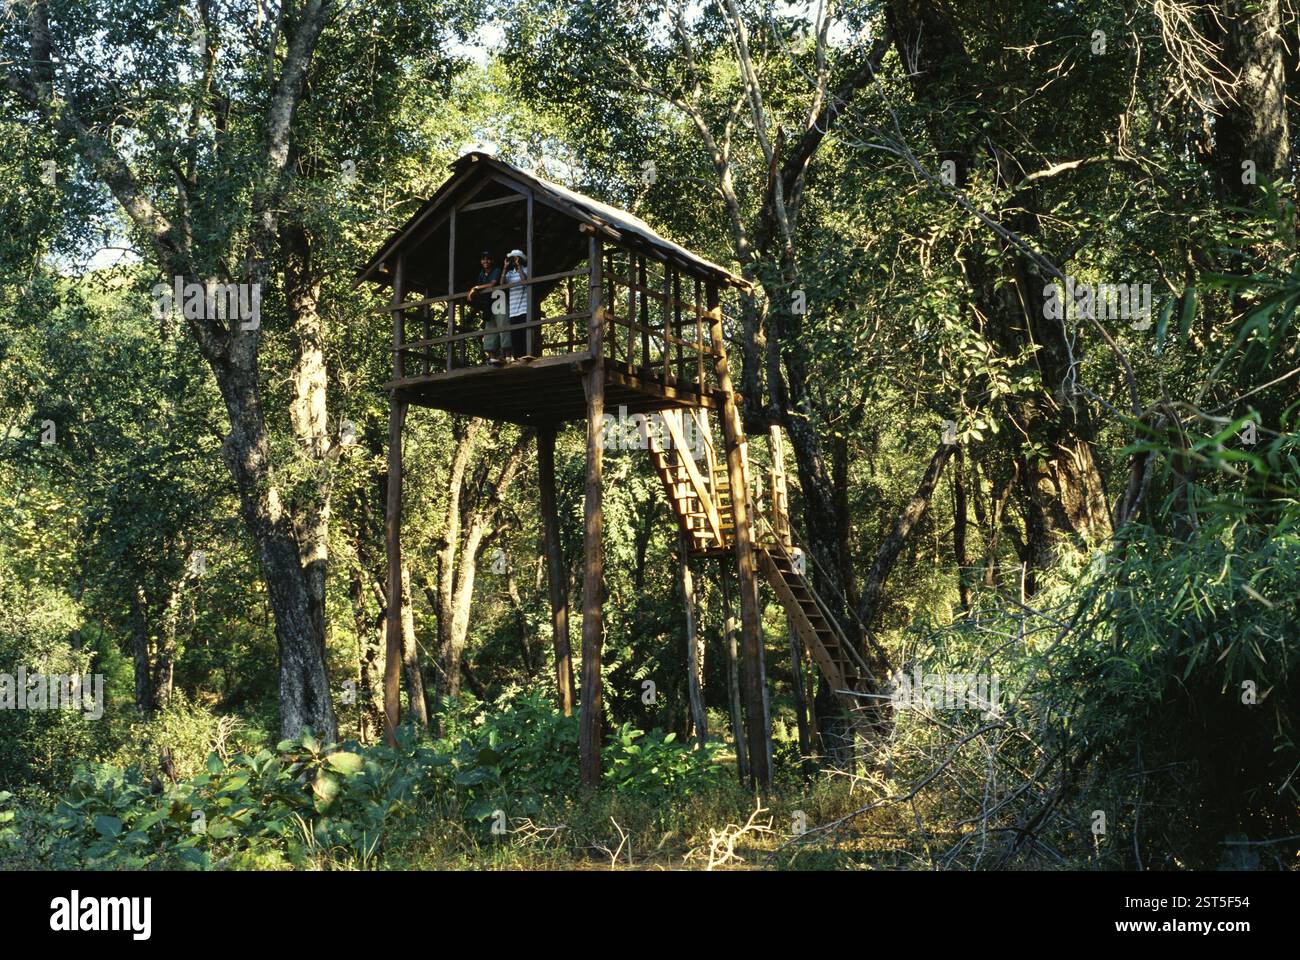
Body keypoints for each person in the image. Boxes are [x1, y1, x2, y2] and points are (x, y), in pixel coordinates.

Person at [466, 250, 503, 363]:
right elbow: (481, 291)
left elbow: (493, 284)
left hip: (498, 302)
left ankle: (505, 355)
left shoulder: (496, 270)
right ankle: (492, 357)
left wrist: (476, 288)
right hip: (488, 304)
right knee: (489, 329)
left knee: (502, 327)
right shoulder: (481, 274)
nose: (485, 261)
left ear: (492, 260)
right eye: (483, 259)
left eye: (488, 259)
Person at [501, 248, 532, 362]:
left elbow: (525, 282)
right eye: (513, 259)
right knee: (515, 335)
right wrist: (505, 267)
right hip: (513, 310)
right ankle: (517, 357)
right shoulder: (509, 273)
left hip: (523, 308)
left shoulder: (526, 270)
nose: (514, 261)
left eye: (515, 258)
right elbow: (502, 283)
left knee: (524, 333)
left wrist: (519, 268)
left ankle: (526, 355)